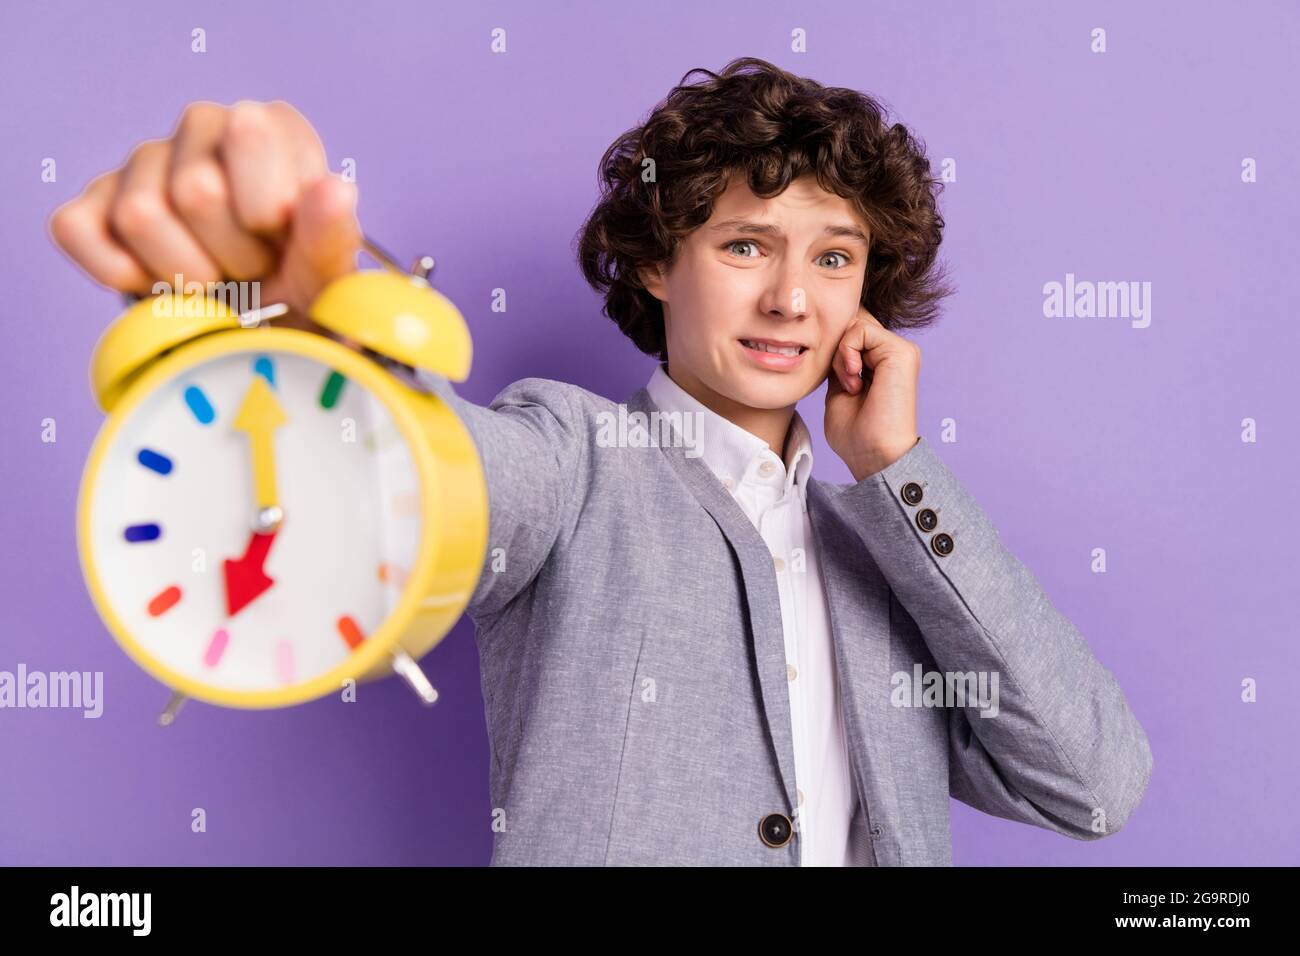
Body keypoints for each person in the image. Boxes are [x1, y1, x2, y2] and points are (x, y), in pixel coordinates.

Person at [49, 57, 1153, 866]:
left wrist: (897, 473)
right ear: (655, 262)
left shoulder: (885, 550)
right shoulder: (569, 455)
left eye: (833, 257)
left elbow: (1092, 784)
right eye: (743, 245)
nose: (791, 298)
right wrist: (303, 349)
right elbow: (423, 484)